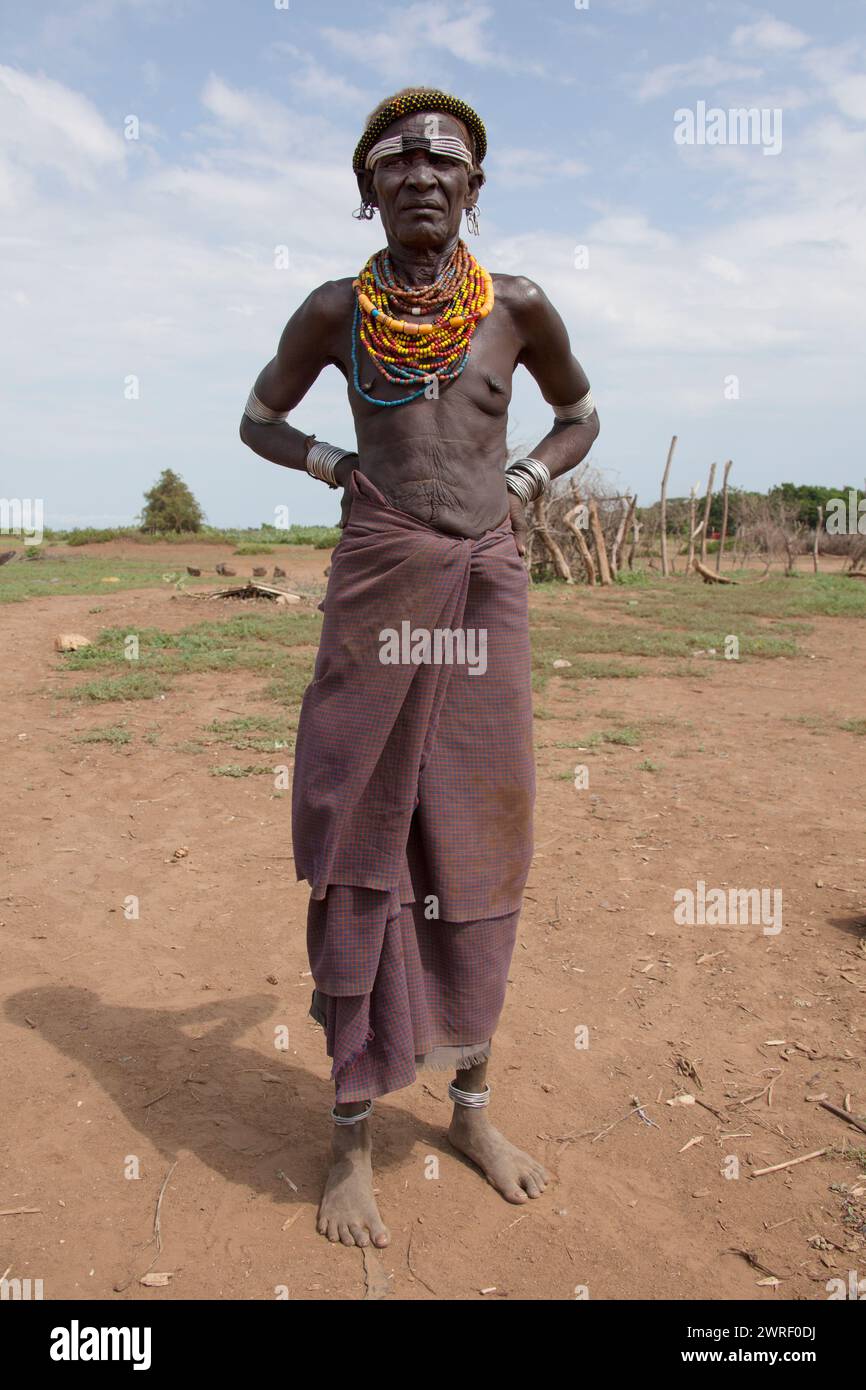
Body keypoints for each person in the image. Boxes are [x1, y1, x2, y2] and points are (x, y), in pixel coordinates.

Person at [240, 87, 599, 1249]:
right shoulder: (334, 309)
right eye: (393, 164)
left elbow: (578, 414)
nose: (420, 177)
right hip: (380, 578)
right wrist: (333, 460)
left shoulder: (520, 307)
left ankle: (471, 1110)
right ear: (366, 188)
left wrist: (528, 482)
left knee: (478, 834)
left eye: (444, 163)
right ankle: (347, 1133)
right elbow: (257, 417)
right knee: (361, 836)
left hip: (483, 583)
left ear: (475, 190)